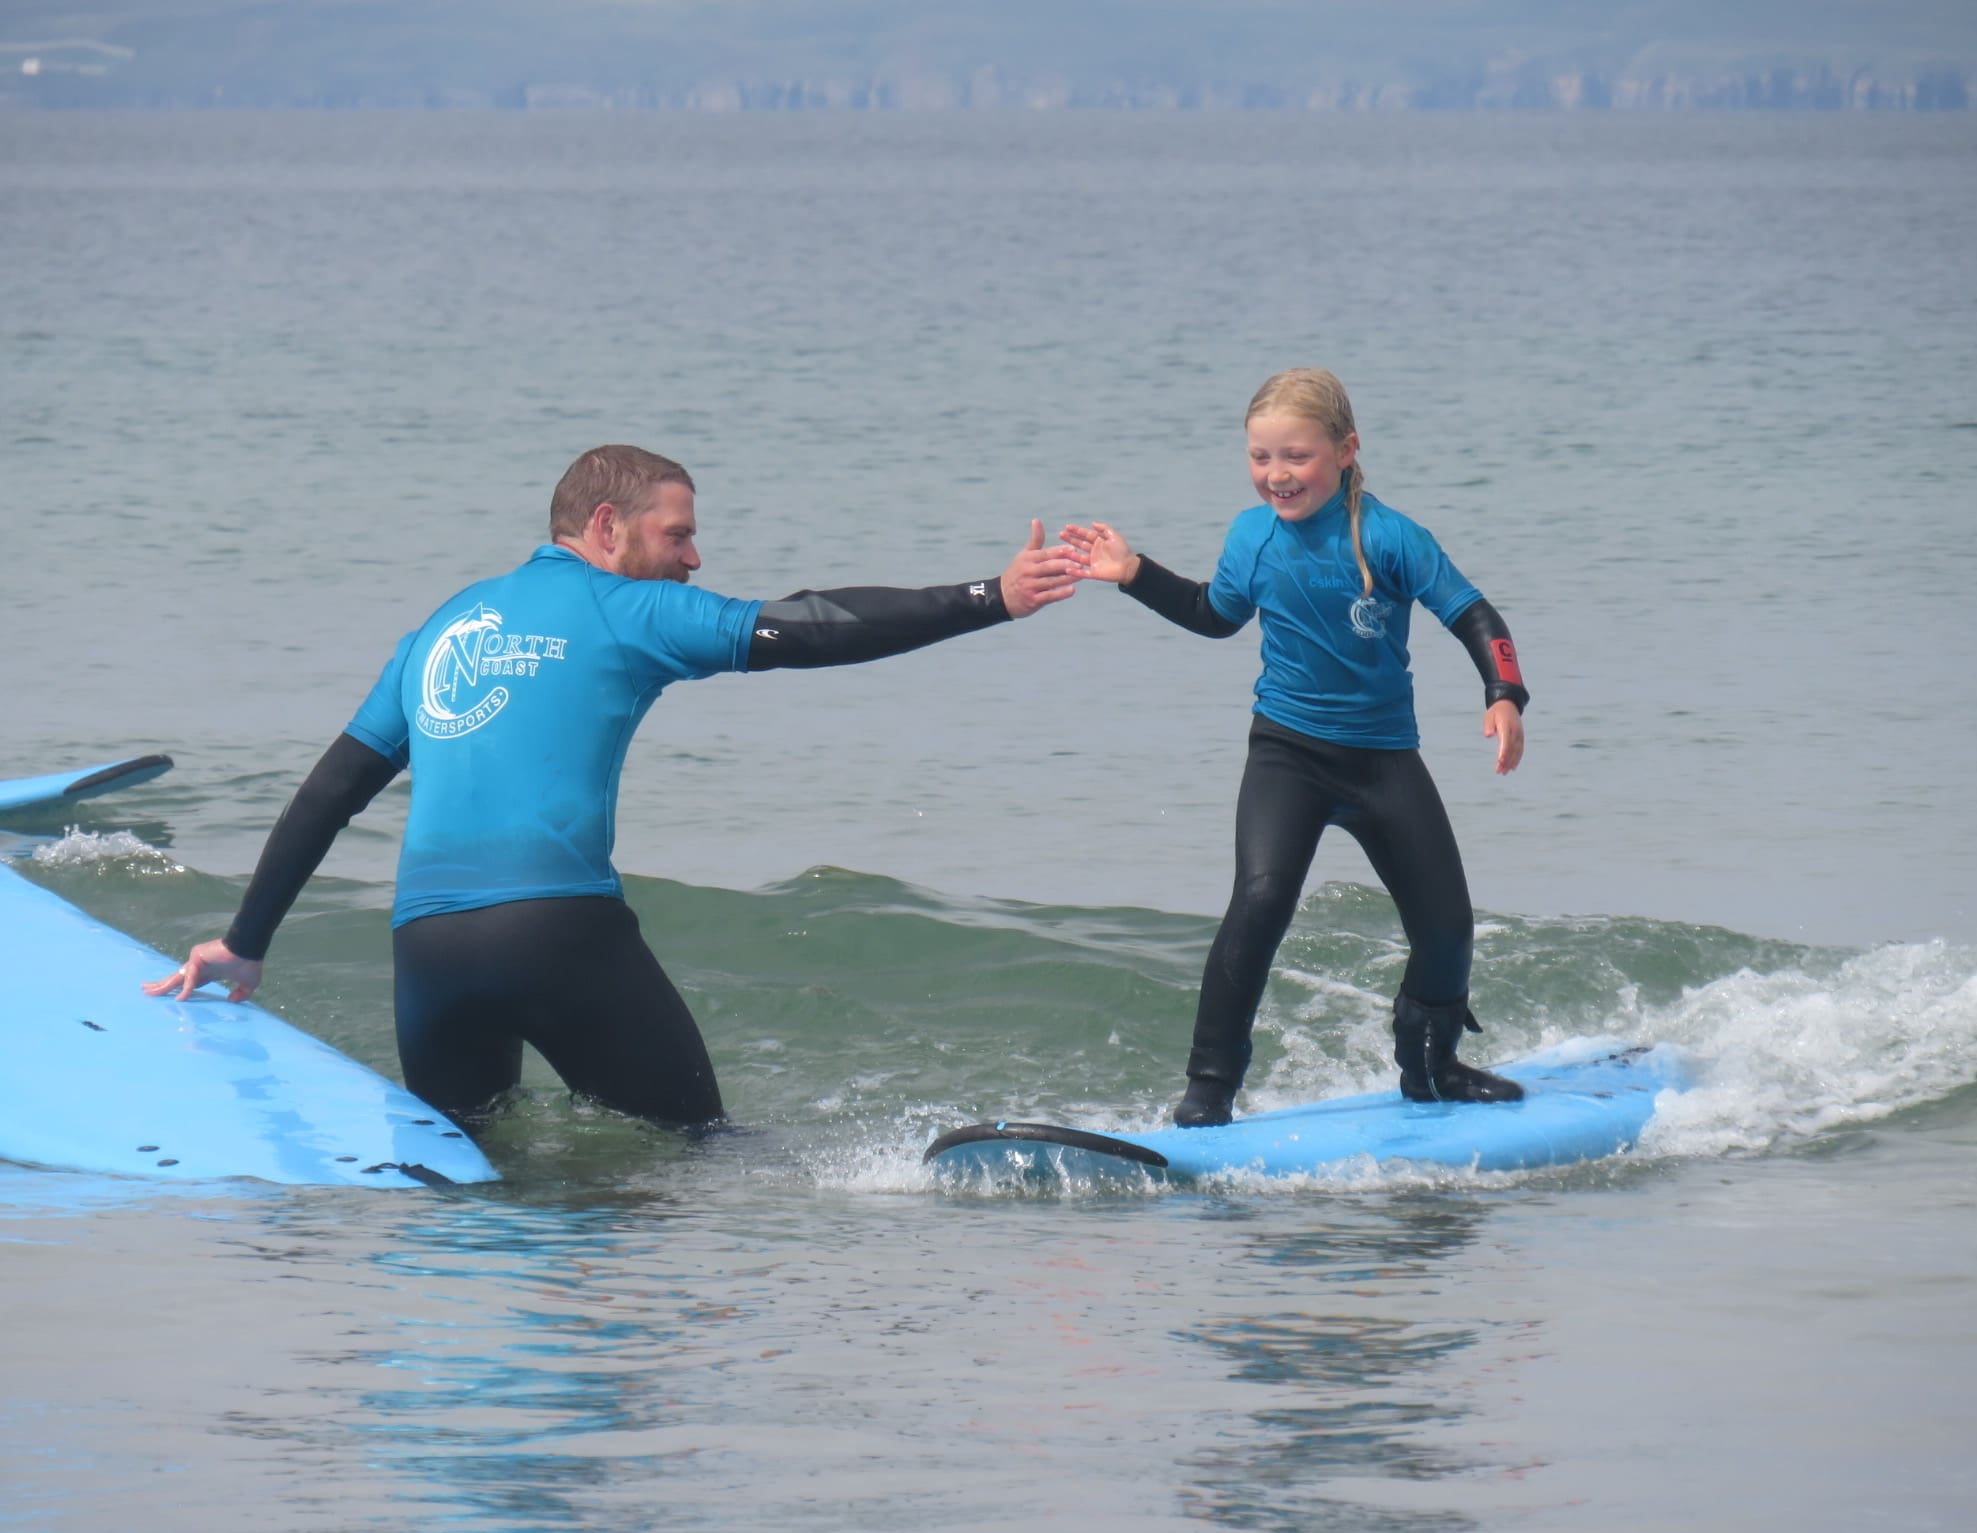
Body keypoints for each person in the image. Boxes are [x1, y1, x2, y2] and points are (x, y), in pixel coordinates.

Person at [147, 444, 1082, 1126]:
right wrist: (988, 598)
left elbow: (330, 790)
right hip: (557, 931)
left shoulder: (446, 625)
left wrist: (245, 941)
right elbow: (813, 628)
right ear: (606, 528)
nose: (693, 559)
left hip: (427, 954)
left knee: (470, 1175)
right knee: (700, 1152)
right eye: (677, 535)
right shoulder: (629, 608)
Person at [1060, 369, 1530, 1127]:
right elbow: (1216, 616)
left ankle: (1432, 1070)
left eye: (1297, 457)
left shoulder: (1391, 537)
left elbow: (1474, 614)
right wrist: (1135, 574)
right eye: (1261, 457)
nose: (1277, 475)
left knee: (1446, 927)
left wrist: (1504, 694)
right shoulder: (1253, 536)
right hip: (1287, 754)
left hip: (1383, 760)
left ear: (1346, 451)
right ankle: (1208, 1092)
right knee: (1261, 899)